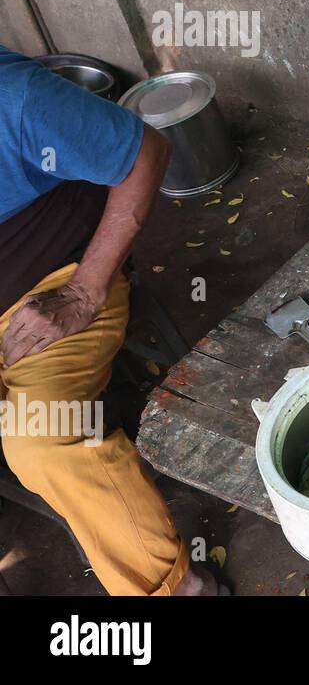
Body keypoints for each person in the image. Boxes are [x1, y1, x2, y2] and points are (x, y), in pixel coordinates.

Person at [0, 46, 217, 595]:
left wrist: (84, 290)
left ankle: (174, 587)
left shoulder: (16, 100)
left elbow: (146, 153)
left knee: (41, 440)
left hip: (47, 284)